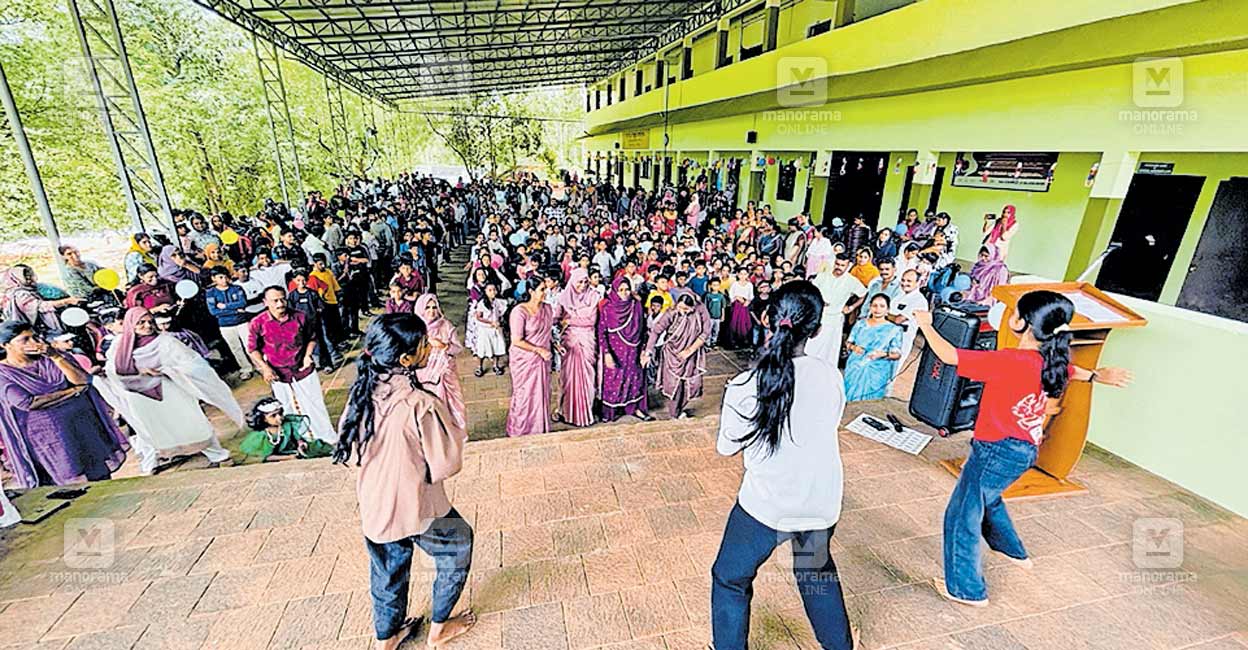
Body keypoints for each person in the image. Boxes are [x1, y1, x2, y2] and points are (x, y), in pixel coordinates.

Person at [914, 291, 1132, 607]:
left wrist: (926, 325)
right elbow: (1073, 372)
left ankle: (967, 590)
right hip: (1023, 450)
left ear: (1023, 323)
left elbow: (949, 356)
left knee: (962, 515)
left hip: (995, 451)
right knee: (988, 498)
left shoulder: (1009, 361)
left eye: (1014, 311)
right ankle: (1013, 551)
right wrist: (1098, 376)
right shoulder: (1050, 360)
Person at [712, 280, 854, 650]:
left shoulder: (744, 385)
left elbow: (726, 448)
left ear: (766, 319)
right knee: (815, 576)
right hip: (817, 502)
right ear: (817, 330)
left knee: (729, 579)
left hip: (766, 506)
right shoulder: (831, 376)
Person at [334, 314, 476, 650]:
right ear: (406, 359)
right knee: (458, 544)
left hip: (374, 508)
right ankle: (438, 630)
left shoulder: (360, 394)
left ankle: (387, 638)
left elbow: (349, 453)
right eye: (423, 344)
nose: (429, 348)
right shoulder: (420, 404)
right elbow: (446, 463)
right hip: (416, 506)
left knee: (387, 571)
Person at [100, 307, 238, 475]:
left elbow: (192, 364)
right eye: (141, 322)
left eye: (150, 322)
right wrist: (138, 370)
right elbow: (112, 369)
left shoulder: (166, 342)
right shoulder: (119, 345)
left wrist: (166, 370)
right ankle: (151, 464)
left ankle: (219, 455)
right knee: (149, 429)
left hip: (169, 390)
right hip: (139, 396)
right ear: (130, 324)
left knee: (191, 422)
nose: (147, 326)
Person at [0, 321, 129, 488]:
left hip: (82, 425)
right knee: (67, 479)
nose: (34, 343)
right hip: (47, 437)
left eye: (35, 337)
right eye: (25, 339)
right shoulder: (4, 373)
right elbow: (27, 402)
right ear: (5, 345)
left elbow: (82, 381)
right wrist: (72, 392)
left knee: (99, 473)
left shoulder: (54, 357)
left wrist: (55, 357)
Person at [247, 287, 337, 444]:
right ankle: (297, 440)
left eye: (283, 299)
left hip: (303, 369)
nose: (280, 304)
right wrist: (265, 368)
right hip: (278, 373)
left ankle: (327, 438)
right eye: (275, 300)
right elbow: (253, 349)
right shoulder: (258, 323)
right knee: (285, 408)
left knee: (315, 404)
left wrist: (308, 356)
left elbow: (312, 338)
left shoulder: (300, 317)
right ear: (265, 302)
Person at [643, 292, 710, 419]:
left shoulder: (700, 310)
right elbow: (656, 331)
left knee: (693, 384)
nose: (682, 312)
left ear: (693, 307)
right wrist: (648, 352)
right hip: (673, 354)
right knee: (675, 386)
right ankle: (674, 413)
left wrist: (689, 350)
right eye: (680, 307)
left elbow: (705, 333)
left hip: (692, 354)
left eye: (686, 309)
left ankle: (680, 409)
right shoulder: (672, 312)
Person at [597, 277, 651, 422]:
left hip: (634, 349)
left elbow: (643, 329)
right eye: (620, 290)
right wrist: (607, 353)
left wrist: (644, 349)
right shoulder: (608, 308)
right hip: (615, 350)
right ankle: (610, 412)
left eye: (627, 289)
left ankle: (635, 408)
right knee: (614, 378)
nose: (624, 293)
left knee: (634, 378)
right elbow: (602, 332)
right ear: (614, 291)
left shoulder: (636, 305)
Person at [506, 276, 554, 436]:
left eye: (545, 289)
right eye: (542, 289)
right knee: (525, 396)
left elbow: (547, 333)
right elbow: (516, 340)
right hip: (525, 361)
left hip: (542, 360)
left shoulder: (548, 309)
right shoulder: (519, 312)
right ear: (531, 291)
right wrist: (538, 350)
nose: (545, 292)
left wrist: (556, 345)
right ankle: (520, 430)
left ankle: (540, 429)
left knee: (541, 394)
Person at [552, 268, 598, 427]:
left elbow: (591, 321)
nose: (583, 285)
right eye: (579, 282)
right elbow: (555, 318)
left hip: (587, 341)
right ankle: (563, 410)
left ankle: (586, 412)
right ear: (572, 282)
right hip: (569, 342)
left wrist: (570, 320)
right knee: (567, 378)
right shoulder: (563, 297)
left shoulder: (593, 295)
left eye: (585, 281)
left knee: (588, 378)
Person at [413, 294, 466, 430]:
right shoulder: (415, 329)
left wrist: (444, 346)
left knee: (449, 407)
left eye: (434, 307)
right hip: (423, 376)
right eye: (427, 308)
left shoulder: (446, 326)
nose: (431, 311)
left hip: (445, 375)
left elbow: (458, 349)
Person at [806, 254, 866, 366]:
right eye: (837, 264)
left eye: (843, 265)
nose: (839, 267)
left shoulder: (851, 281)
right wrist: (819, 300)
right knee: (811, 347)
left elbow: (863, 294)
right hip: (819, 316)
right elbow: (811, 291)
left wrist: (851, 307)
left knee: (830, 351)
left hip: (835, 319)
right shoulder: (823, 276)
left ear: (848, 266)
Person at [844, 294, 903, 401]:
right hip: (856, 366)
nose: (877, 309)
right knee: (849, 398)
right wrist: (854, 347)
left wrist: (883, 354)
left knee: (870, 402)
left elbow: (897, 355)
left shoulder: (893, 330)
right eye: (874, 305)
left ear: (887, 310)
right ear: (870, 307)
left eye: (882, 306)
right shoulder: (860, 324)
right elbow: (848, 342)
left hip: (877, 371)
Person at [239, 397, 333, 462]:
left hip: (292, 450)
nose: (279, 417)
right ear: (263, 419)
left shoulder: (287, 424)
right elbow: (266, 457)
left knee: (316, 447)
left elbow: (297, 437)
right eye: (273, 416)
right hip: (277, 456)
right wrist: (289, 457)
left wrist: (300, 443)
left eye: (280, 413)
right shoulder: (261, 436)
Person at [204, 267, 255, 380]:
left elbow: (243, 303)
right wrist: (235, 310)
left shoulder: (237, 288)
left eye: (226, 277)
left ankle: (259, 365)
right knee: (236, 348)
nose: (224, 280)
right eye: (220, 277)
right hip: (225, 325)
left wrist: (225, 306)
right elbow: (214, 311)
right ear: (214, 279)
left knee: (250, 345)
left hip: (242, 322)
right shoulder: (211, 293)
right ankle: (246, 368)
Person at [1, 265, 81, 331]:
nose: (32, 279)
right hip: (37, 329)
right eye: (26, 277)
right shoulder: (20, 294)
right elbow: (40, 306)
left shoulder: (26, 290)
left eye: (30, 276)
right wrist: (67, 301)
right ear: (17, 279)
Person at [889, 269, 928, 381]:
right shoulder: (898, 296)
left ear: (918, 282)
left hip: (902, 340)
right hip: (886, 335)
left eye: (909, 281)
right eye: (903, 280)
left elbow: (898, 319)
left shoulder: (919, 301)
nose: (904, 283)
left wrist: (884, 315)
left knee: (890, 373)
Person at [469, 283, 507, 377]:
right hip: (485, 329)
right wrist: (490, 322)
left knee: (496, 347)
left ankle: (495, 365)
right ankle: (479, 367)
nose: (492, 292)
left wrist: (499, 322)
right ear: (485, 292)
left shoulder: (498, 302)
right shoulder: (482, 303)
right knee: (482, 349)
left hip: (495, 328)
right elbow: (478, 317)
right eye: (490, 290)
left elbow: (500, 313)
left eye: (494, 290)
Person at [725, 268, 754, 349]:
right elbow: (731, 294)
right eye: (741, 274)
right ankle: (734, 342)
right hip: (736, 306)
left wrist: (747, 301)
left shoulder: (749, 285)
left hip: (745, 305)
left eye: (745, 274)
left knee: (745, 323)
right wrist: (737, 297)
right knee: (735, 323)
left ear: (748, 275)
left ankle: (744, 341)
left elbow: (751, 296)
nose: (743, 276)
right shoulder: (735, 284)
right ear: (737, 274)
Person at [703, 278, 727, 348]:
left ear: (719, 286)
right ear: (710, 286)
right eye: (714, 285)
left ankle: (714, 342)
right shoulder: (708, 296)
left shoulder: (721, 296)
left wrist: (723, 316)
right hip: (710, 317)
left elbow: (723, 307)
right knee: (709, 330)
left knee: (716, 330)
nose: (715, 287)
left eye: (717, 285)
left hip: (718, 317)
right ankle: (708, 343)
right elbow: (705, 307)